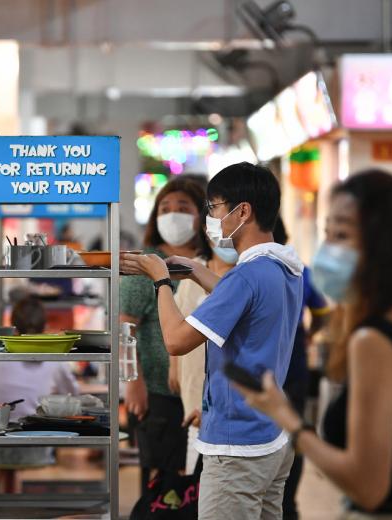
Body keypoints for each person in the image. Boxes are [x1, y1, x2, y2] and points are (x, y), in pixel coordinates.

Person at [236, 170, 392, 518]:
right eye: (327, 234)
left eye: (342, 235)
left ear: (390, 245)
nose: (327, 251)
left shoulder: (375, 343)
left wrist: (289, 421)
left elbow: (368, 487)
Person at [122, 162, 304, 520]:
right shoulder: (283, 268)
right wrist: (193, 269)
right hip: (271, 434)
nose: (211, 218)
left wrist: (161, 280)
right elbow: (241, 303)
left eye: (215, 208)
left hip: (237, 444)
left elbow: (176, 340)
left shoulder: (246, 276)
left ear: (243, 211)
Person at [119, 177, 205, 493]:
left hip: (203, 393)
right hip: (157, 392)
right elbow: (124, 327)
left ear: (202, 215)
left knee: (198, 482)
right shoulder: (146, 263)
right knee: (162, 486)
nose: (173, 214)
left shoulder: (211, 261)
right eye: (165, 208)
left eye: (183, 207)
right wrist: (133, 383)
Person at [0, 296, 78, 492]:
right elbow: (72, 395)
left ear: (12, 324)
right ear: (44, 325)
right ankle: (9, 500)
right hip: (37, 445)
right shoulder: (56, 358)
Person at [168, 209, 235, 474]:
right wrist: (174, 366)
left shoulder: (248, 275)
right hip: (194, 379)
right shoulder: (192, 269)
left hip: (226, 393)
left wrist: (160, 282)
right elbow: (179, 320)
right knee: (194, 458)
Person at [273, 217, 332, 520]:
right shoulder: (301, 270)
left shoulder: (246, 270)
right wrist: (308, 332)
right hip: (294, 354)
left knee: (280, 428)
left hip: (279, 358)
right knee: (289, 430)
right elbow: (321, 312)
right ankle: (287, 504)